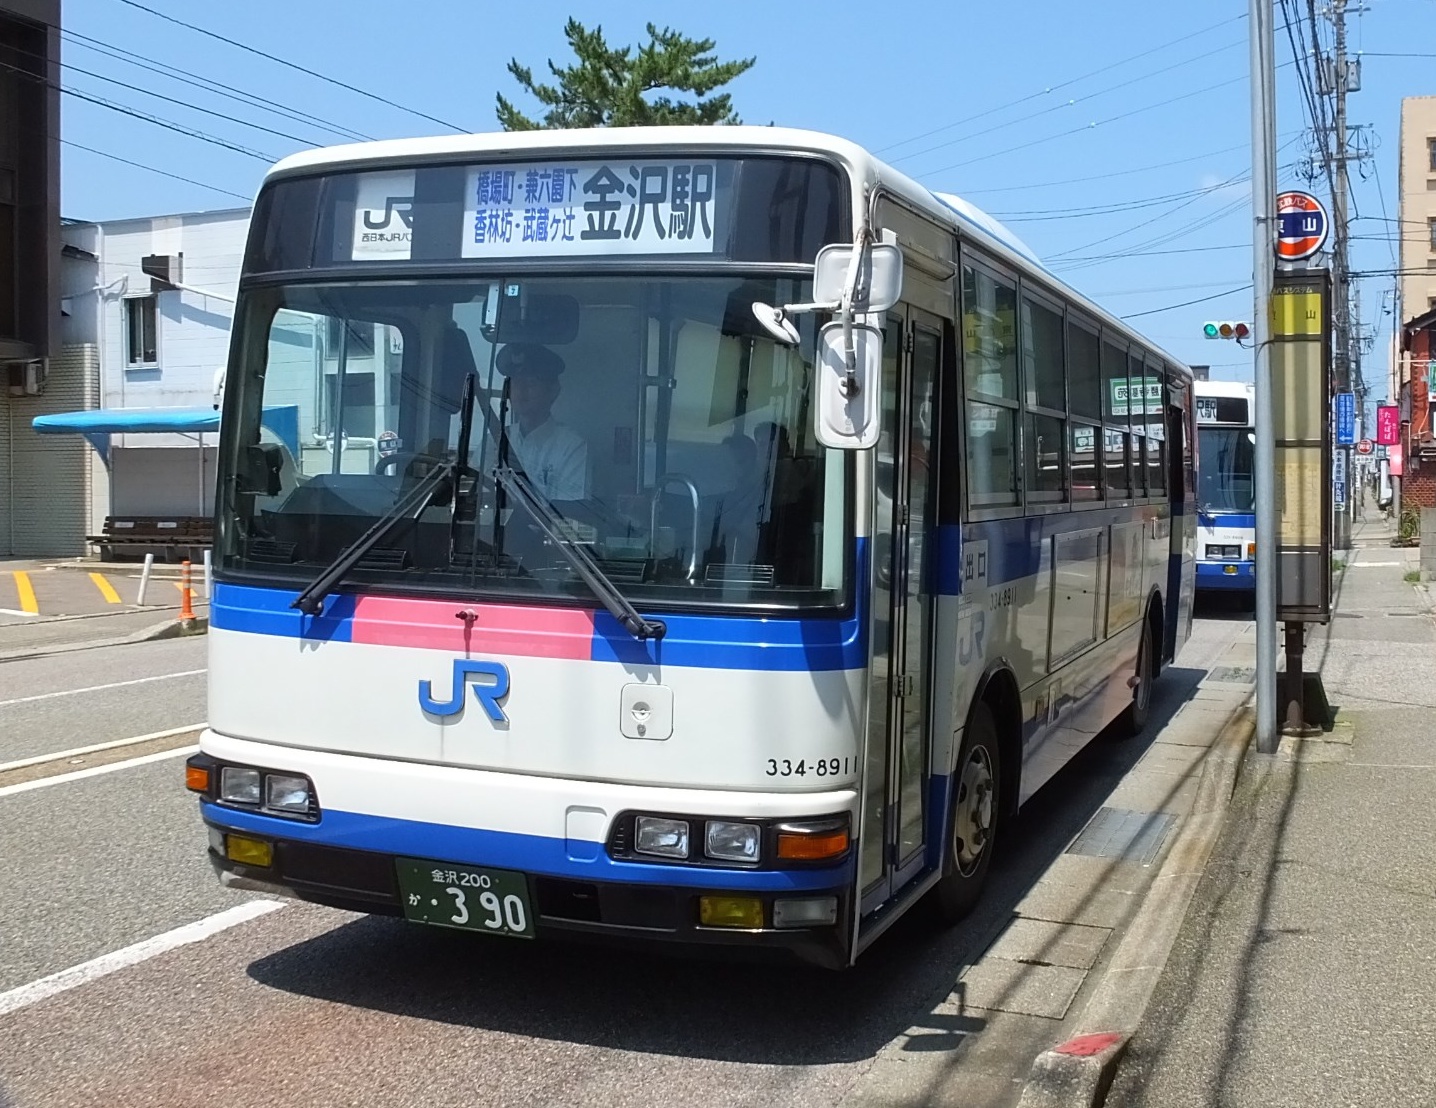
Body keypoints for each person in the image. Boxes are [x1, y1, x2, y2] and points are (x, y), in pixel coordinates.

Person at [493, 342, 589, 501]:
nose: (520, 391)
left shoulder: (571, 448)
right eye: (515, 383)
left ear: (553, 390)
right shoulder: (494, 441)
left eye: (531, 383)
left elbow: (569, 512)